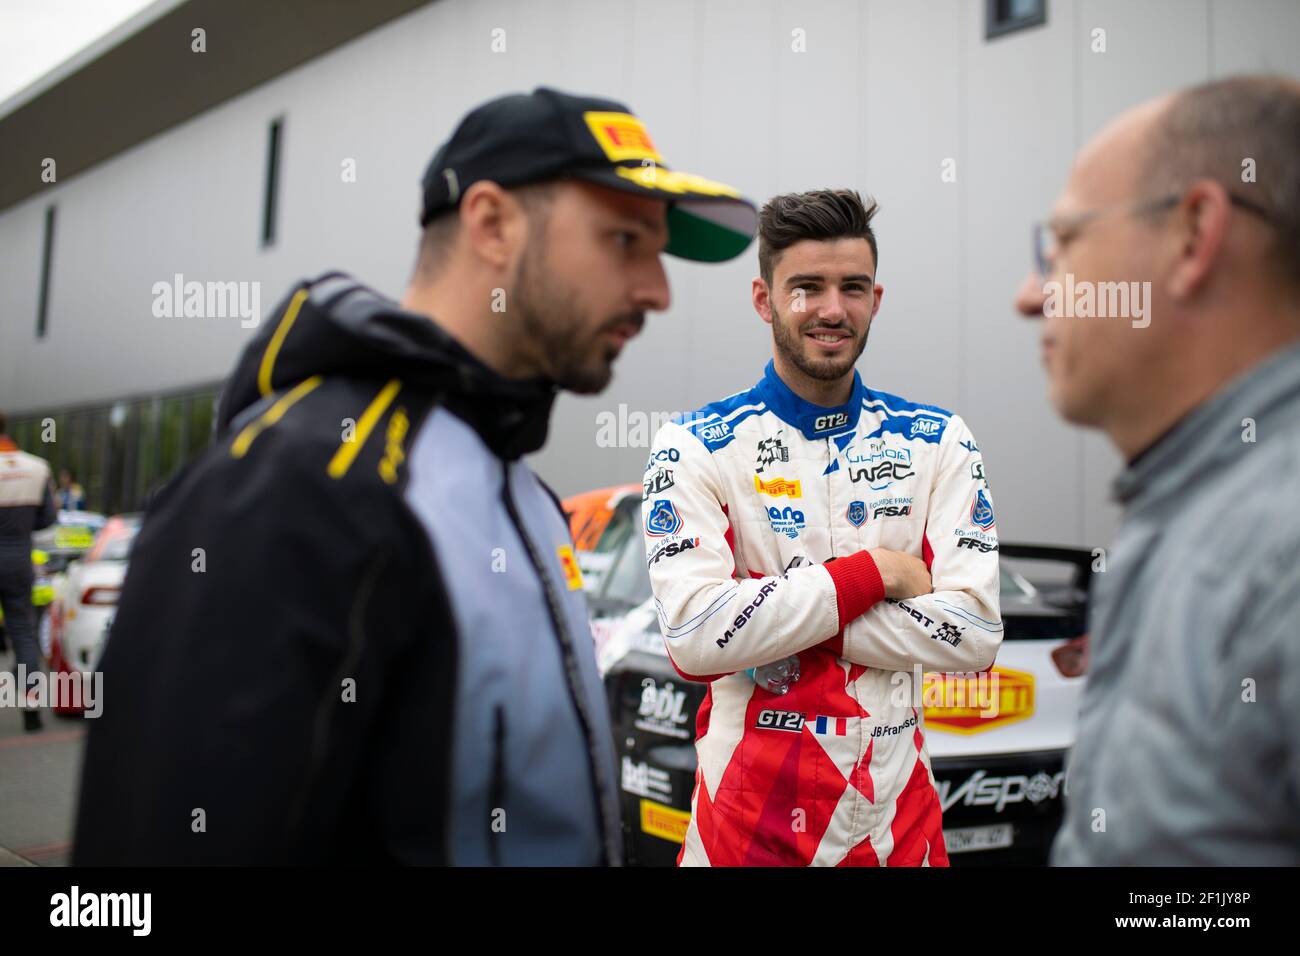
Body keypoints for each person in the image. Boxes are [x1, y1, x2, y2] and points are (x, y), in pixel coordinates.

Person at [73, 87, 758, 865]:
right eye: (626, 240)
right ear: (492, 225)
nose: (658, 292)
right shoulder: (299, 487)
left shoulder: (522, 498)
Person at [643, 189, 1003, 866]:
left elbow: (976, 634)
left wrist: (765, 614)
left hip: (899, 834)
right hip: (743, 834)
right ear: (763, 299)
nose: (833, 309)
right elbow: (694, 638)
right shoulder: (694, 445)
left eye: (853, 288)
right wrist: (877, 577)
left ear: (876, 298)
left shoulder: (938, 440)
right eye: (806, 287)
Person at [1014, 75, 1300, 865]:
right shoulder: (1197, 506)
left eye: (1063, 244)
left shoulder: (1276, 548)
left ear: (1192, 235)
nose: (1030, 296)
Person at [0, 412, 57, 732]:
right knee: (23, 633)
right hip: (20, 560)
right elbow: (48, 519)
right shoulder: (36, 467)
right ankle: (31, 709)